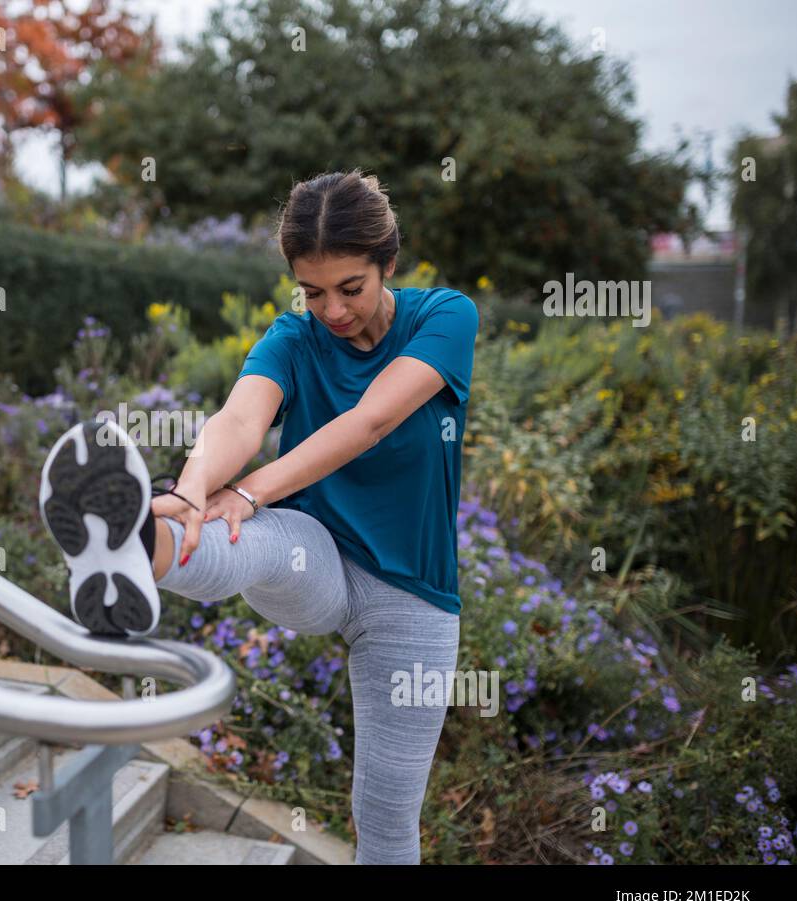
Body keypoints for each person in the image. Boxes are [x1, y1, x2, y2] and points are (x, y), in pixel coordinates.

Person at [38, 168, 479, 864]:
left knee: (389, 819)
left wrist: (245, 490)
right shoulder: (294, 337)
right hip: (317, 552)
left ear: (387, 264)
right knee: (249, 542)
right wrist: (191, 488)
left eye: (350, 288)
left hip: (413, 594)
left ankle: (145, 536)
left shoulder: (445, 317)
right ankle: (135, 541)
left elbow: (369, 421)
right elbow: (240, 417)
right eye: (312, 291)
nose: (331, 310)